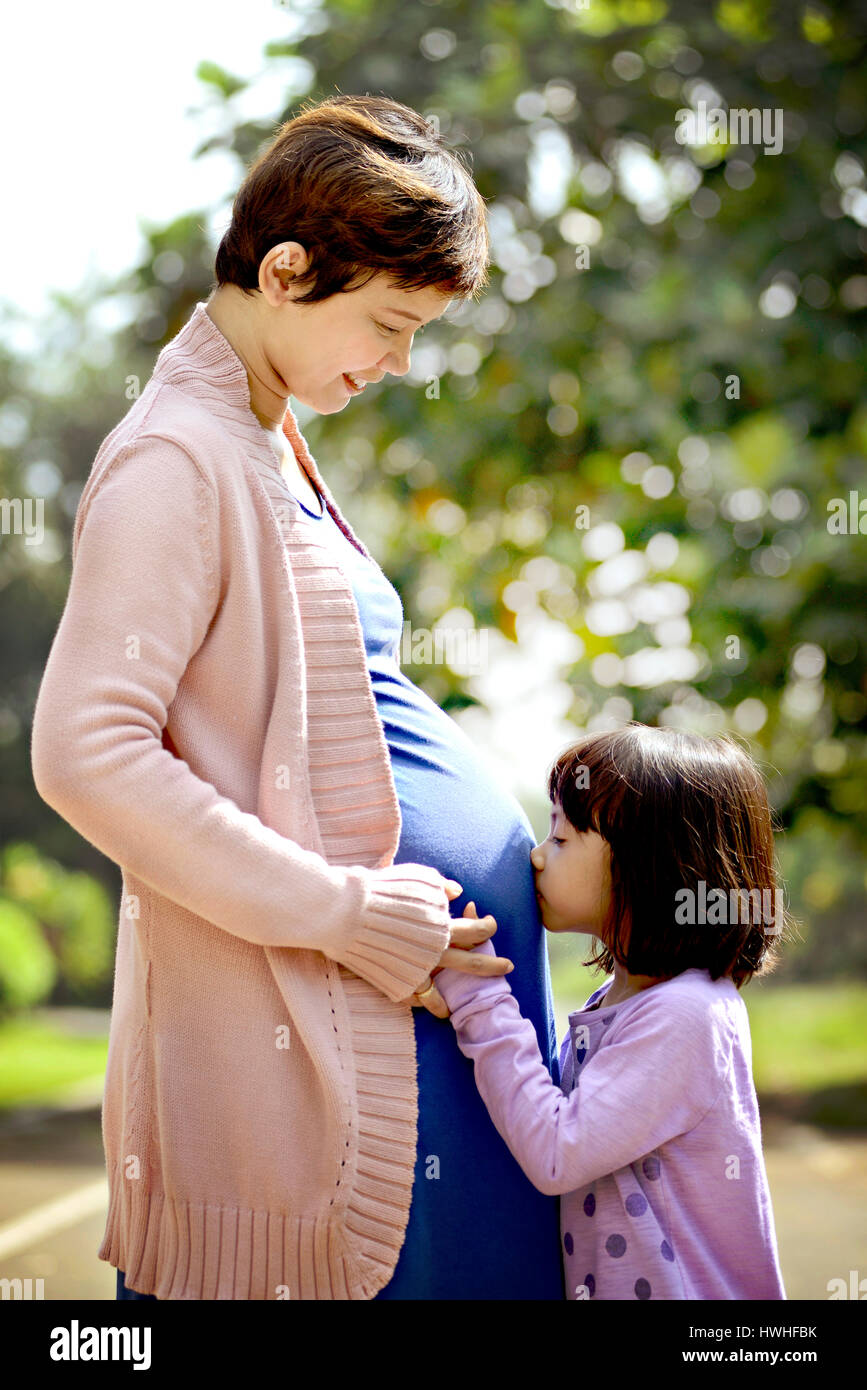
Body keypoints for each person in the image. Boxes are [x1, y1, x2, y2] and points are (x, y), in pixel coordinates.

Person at [30, 94, 563, 1300]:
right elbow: (85, 751)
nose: (399, 363)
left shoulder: (265, 432)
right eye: (388, 322)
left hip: (415, 1022)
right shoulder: (178, 456)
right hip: (321, 1034)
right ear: (286, 269)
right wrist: (342, 912)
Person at [433, 724, 790, 1299]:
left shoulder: (686, 1015)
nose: (537, 856)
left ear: (650, 864)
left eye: (564, 838)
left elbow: (556, 1151)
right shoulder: (624, 1000)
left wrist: (477, 996)